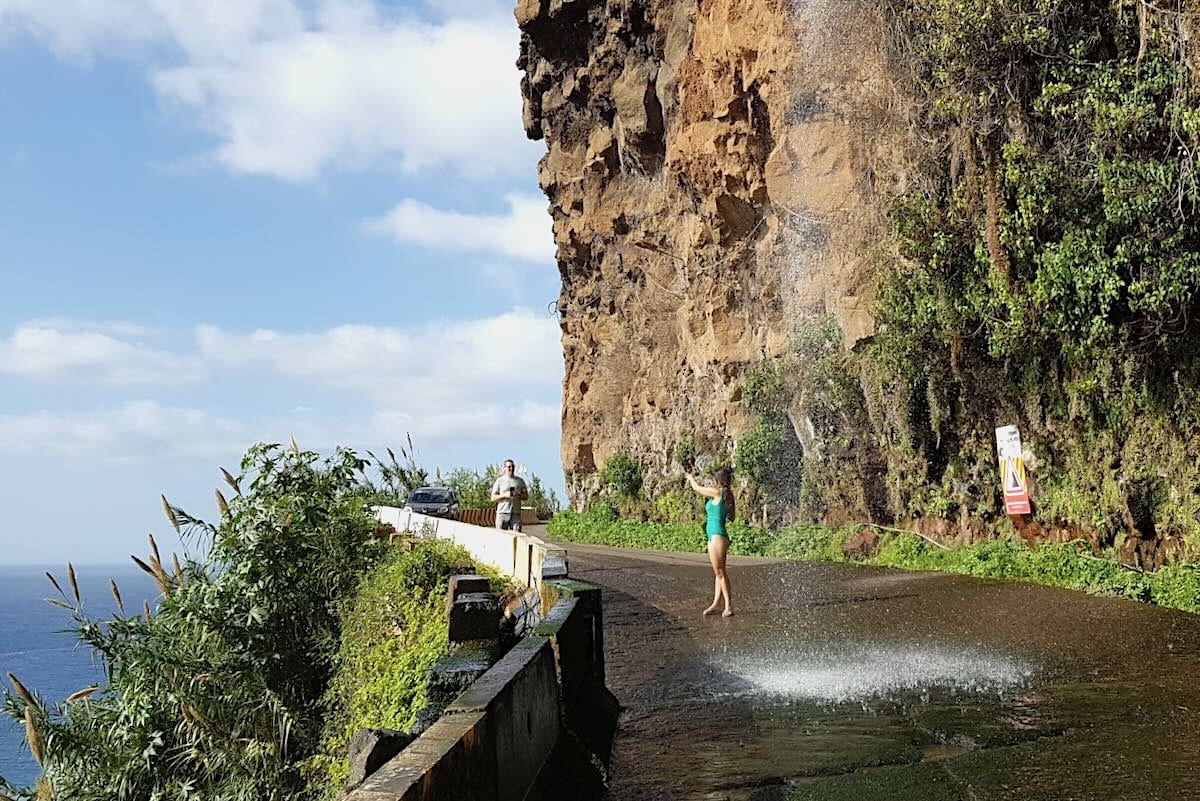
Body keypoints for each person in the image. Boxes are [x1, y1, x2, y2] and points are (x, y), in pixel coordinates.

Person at [686, 467, 736, 617]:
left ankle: (728, 606)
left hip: (717, 536)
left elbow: (696, 488)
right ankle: (716, 604)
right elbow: (732, 518)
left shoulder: (718, 493)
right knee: (718, 573)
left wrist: (690, 478)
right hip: (715, 535)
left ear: (718, 481)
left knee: (720, 573)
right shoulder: (727, 495)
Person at [490, 458, 529, 531]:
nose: (511, 468)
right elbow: (493, 498)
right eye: (509, 467)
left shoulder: (520, 481)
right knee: (501, 535)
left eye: (513, 467)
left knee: (517, 535)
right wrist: (504, 495)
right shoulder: (499, 481)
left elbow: (526, 496)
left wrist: (518, 495)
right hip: (503, 512)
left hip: (515, 513)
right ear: (504, 468)